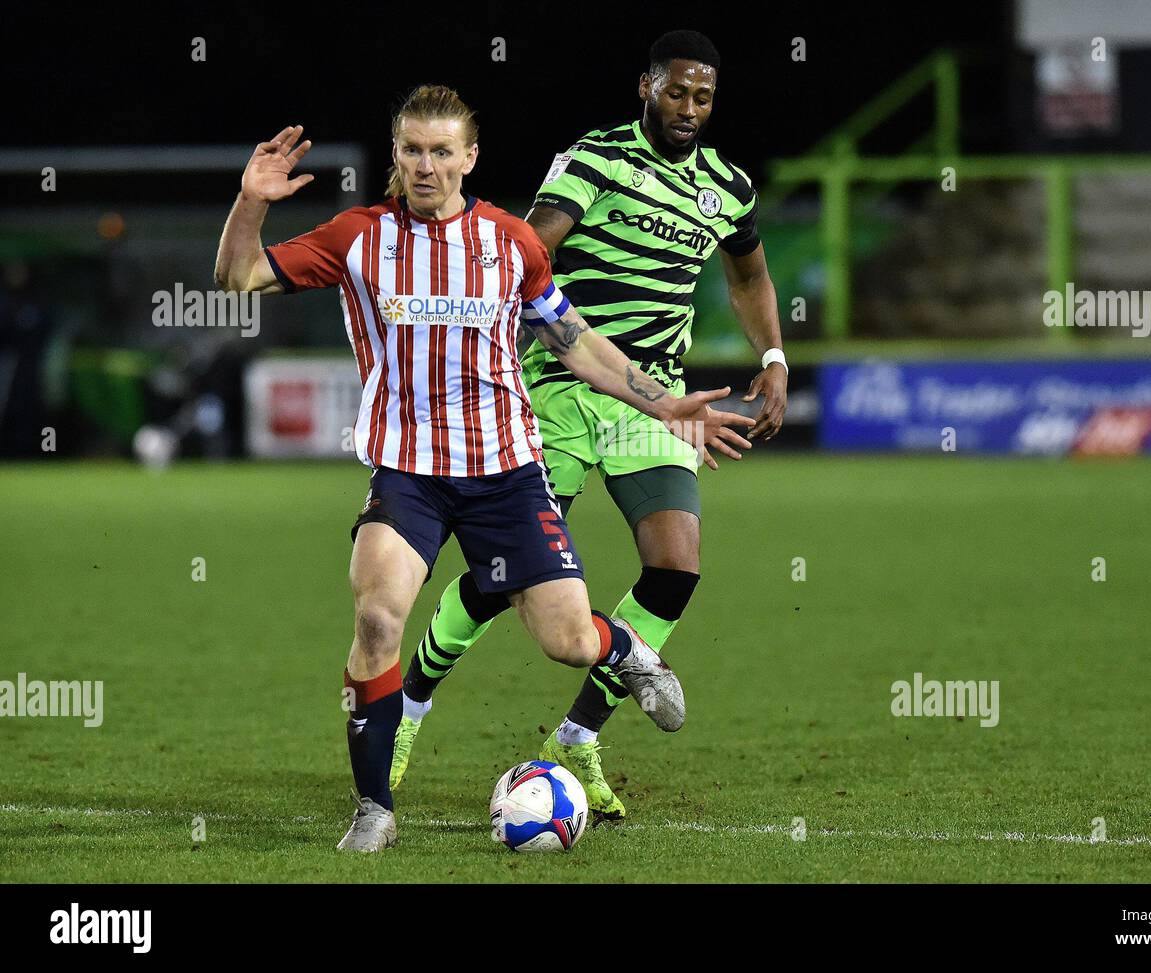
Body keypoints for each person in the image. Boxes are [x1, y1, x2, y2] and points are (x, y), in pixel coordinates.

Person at [213, 84, 754, 851]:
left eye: (442, 151)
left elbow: (574, 341)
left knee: (566, 637)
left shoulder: (511, 243)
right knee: (375, 617)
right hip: (407, 475)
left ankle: (627, 650)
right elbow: (237, 277)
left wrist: (664, 404)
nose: (426, 166)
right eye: (412, 150)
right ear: (395, 154)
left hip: (505, 471)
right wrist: (251, 202)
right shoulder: (356, 237)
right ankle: (374, 807)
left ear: (469, 157)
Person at [391, 31, 784, 824]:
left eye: (703, 97)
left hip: (656, 400)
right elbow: (531, 248)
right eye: (676, 92)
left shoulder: (727, 187)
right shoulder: (596, 159)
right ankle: (410, 707)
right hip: (562, 386)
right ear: (647, 86)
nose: (689, 109)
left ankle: (577, 734)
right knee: (506, 578)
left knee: (675, 567)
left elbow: (750, 275)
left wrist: (772, 353)